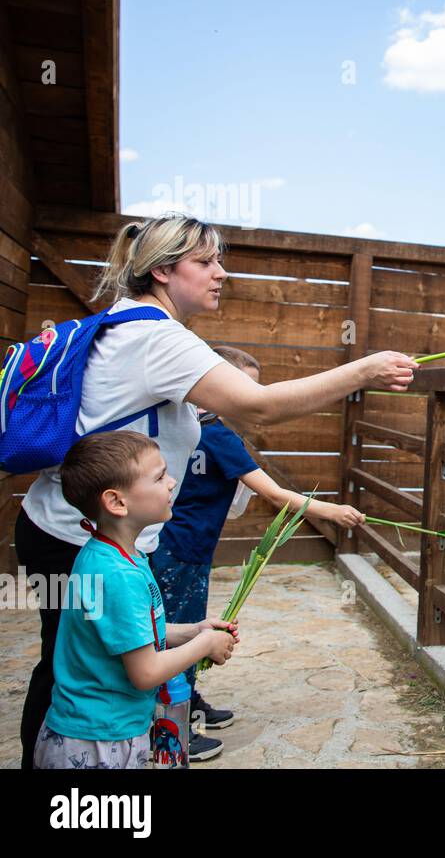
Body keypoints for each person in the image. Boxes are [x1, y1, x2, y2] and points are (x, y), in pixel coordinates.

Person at [16, 214, 415, 769]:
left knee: (74, 662)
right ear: (161, 272)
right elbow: (260, 406)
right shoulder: (155, 337)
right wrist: (363, 370)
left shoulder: (129, 326)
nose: (220, 274)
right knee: (73, 675)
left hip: (76, 524)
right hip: (80, 531)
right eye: (205, 262)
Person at [151, 343, 366, 761]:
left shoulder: (190, 427)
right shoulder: (220, 437)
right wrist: (331, 510)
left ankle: (187, 702)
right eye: (242, 388)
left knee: (177, 626)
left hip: (171, 546)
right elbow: (272, 491)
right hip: (184, 551)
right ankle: (169, 727)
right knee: (181, 631)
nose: (250, 399)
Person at [32, 431, 238, 769]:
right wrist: (204, 645)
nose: (172, 483)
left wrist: (194, 630)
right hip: (99, 742)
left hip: (91, 730)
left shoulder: (111, 555)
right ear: (116, 502)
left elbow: (132, 631)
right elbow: (145, 672)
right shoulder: (119, 576)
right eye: (159, 476)